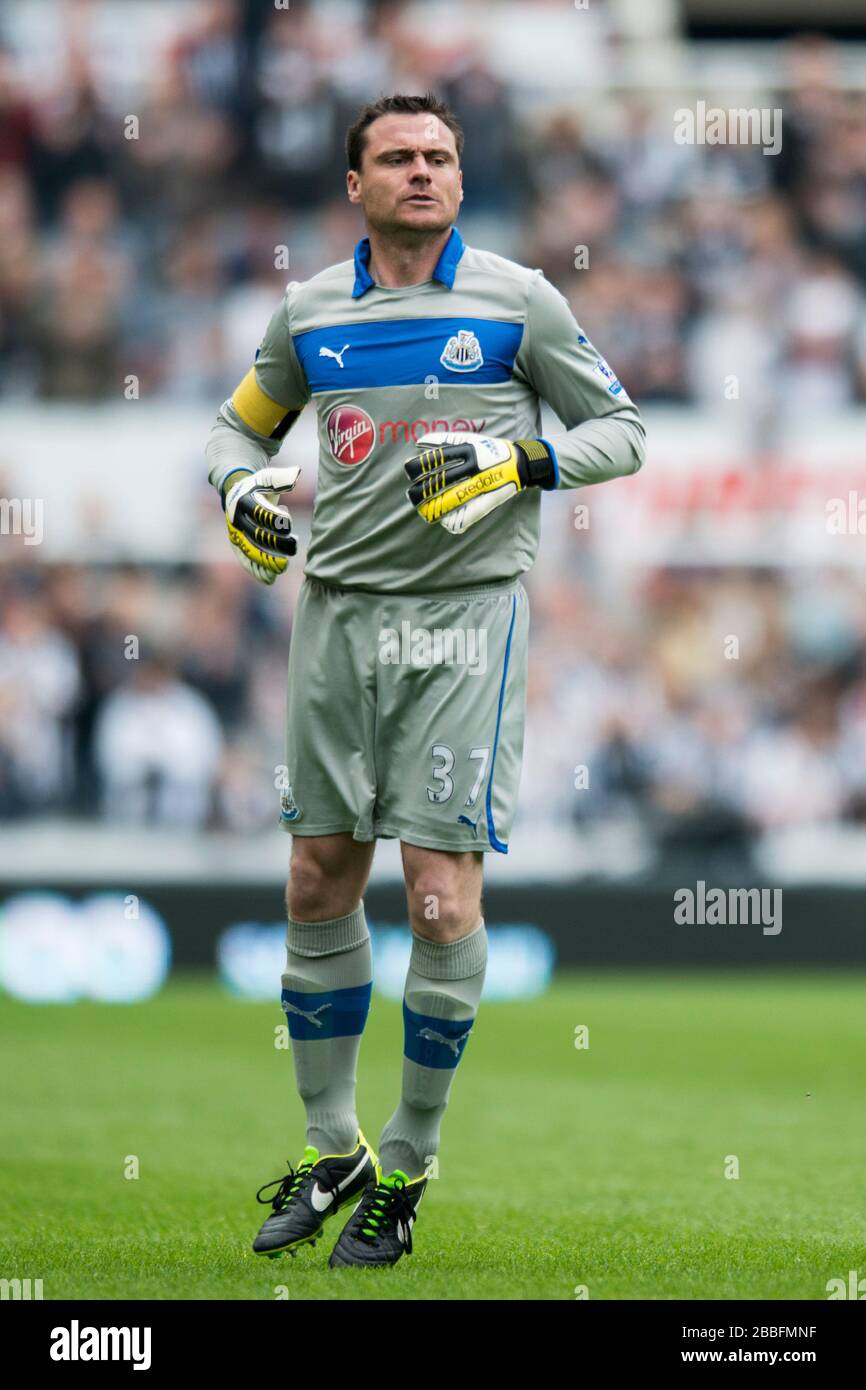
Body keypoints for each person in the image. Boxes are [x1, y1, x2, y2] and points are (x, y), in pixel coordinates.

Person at [205, 92, 646, 1269]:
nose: (420, 172)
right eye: (396, 157)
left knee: (440, 895)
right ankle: (328, 1144)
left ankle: (404, 1163)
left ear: (459, 176)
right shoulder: (310, 314)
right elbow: (234, 433)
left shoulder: (515, 300)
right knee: (313, 877)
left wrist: (517, 457)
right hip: (336, 620)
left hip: (464, 623)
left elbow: (620, 429)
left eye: (438, 157)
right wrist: (238, 489)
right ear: (353, 183)